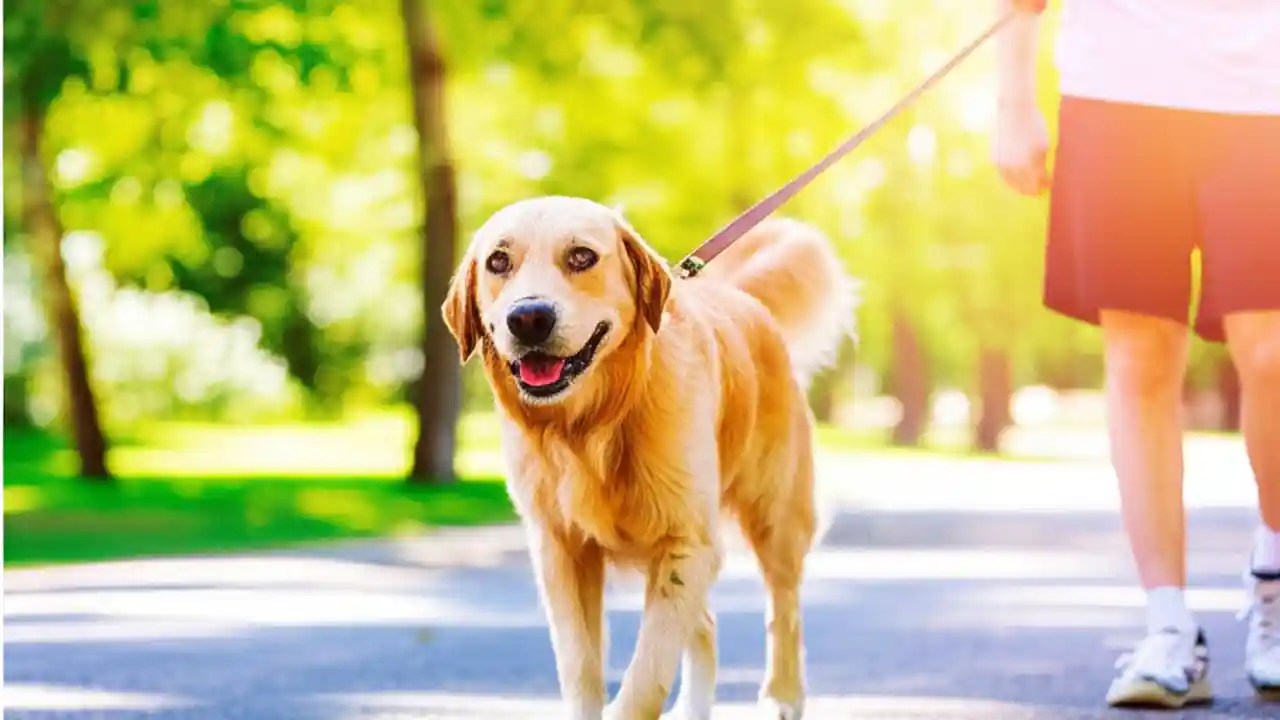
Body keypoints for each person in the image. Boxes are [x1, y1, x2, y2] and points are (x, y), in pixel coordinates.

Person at [993, 0, 1280, 709]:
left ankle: (1274, 574)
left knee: (1272, 351)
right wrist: (1012, 100)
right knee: (1140, 356)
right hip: (1115, 94)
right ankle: (1167, 625)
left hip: (1263, 95)